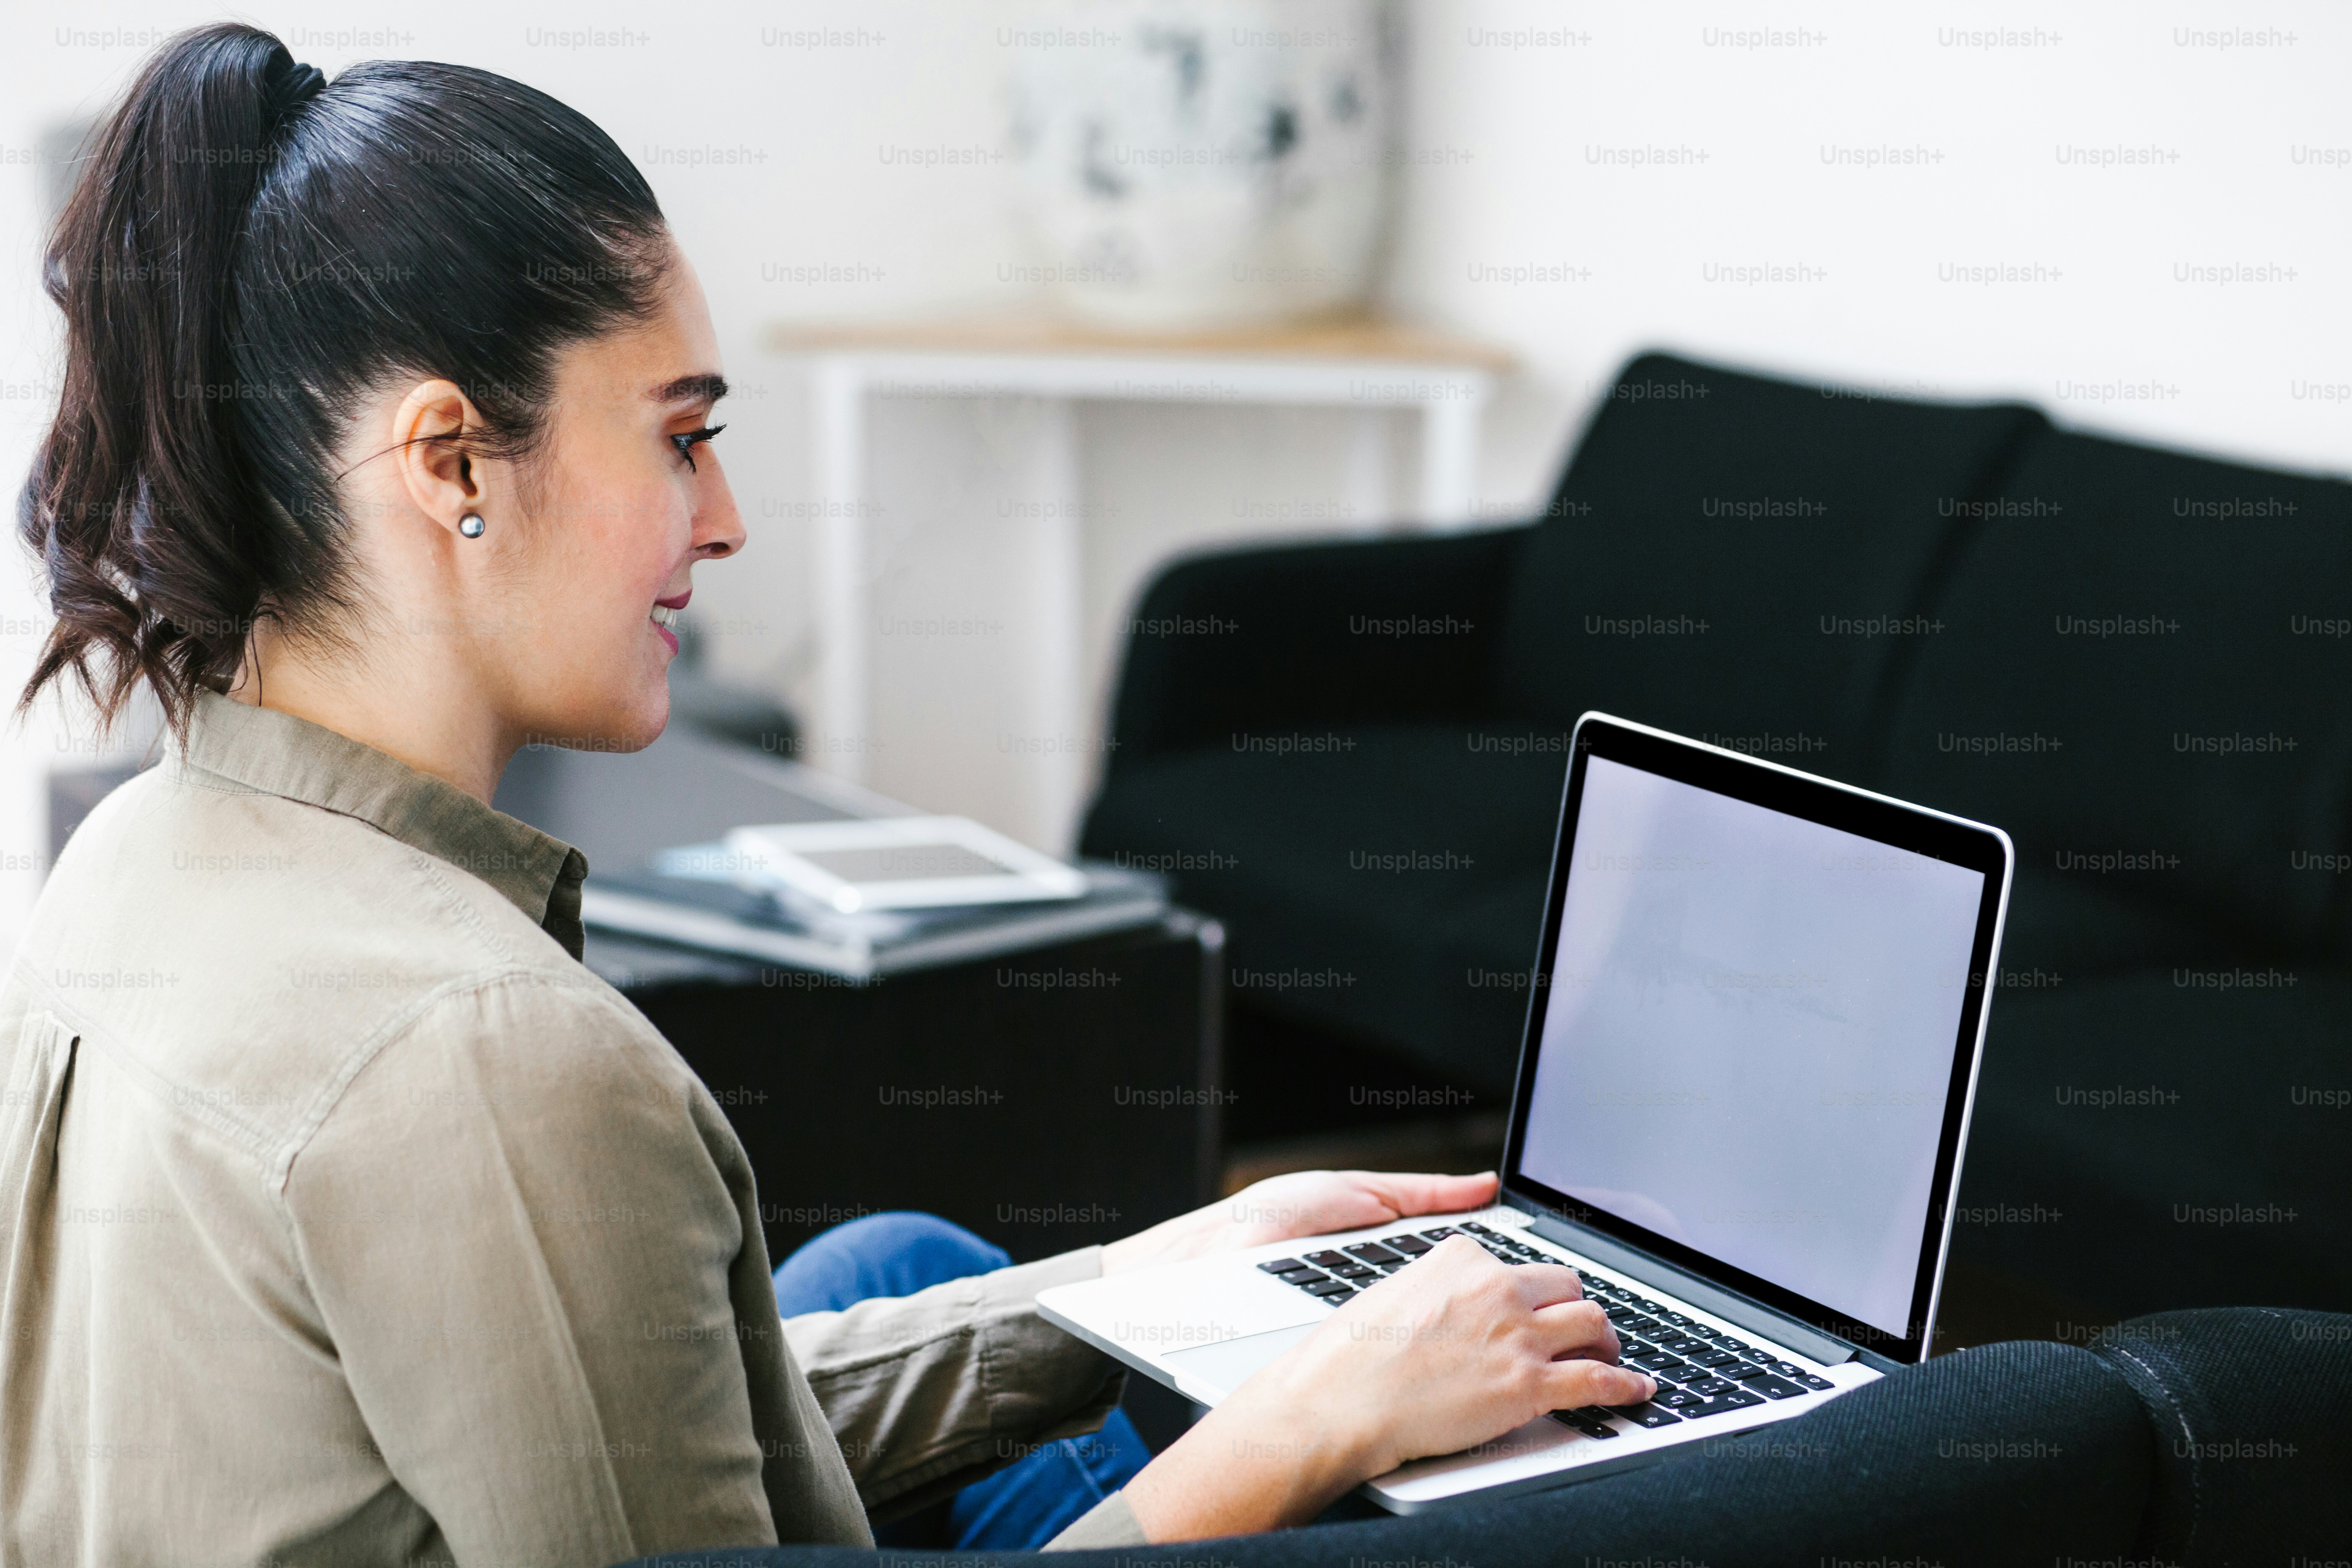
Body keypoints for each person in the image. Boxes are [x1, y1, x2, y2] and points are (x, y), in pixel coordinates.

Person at [0, 24, 1654, 1567]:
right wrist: (1304, 1430)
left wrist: (1151, 1282)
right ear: (451, 465)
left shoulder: (139, 853)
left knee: (918, 1265)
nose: (722, 521)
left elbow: (625, 1434)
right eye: (680, 439)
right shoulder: (485, 1058)